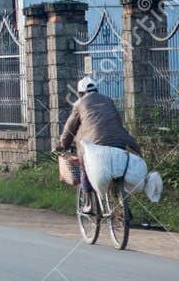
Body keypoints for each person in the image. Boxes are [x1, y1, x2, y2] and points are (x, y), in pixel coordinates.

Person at [58, 76, 163, 208]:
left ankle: (88, 203)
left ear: (80, 93)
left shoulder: (79, 104)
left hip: (95, 145)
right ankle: (122, 202)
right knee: (119, 164)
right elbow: (117, 121)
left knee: (84, 166)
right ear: (96, 89)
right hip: (118, 140)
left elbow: (69, 128)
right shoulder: (108, 100)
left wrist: (63, 145)